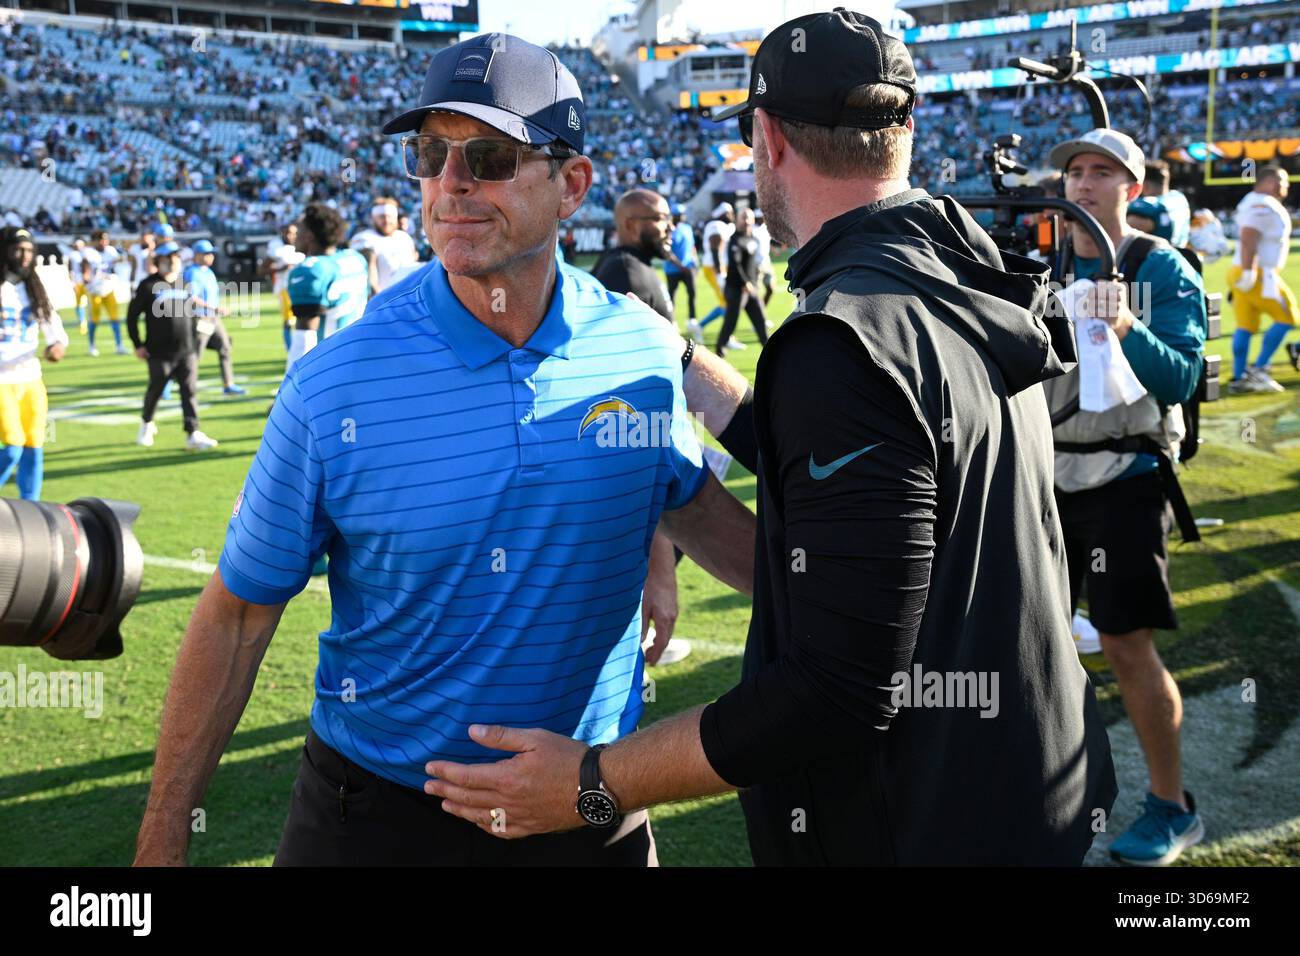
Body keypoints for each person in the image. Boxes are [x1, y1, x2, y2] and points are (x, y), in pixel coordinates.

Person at [419, 9, 1116, 867]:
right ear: (902, 129)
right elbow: (866, 465)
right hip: (1034, 779)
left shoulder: (845, 338)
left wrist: (593, 781)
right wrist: (678, 358)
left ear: (768, 137)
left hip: (920, 821)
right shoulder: (951, 276)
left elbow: (834, 688)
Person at [133, 33, 756, 868]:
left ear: (571, 186)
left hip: (593, 809)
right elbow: (238, 614)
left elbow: (695, 511)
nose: (451, 184)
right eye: (432, 153)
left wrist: (867, 602)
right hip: (379, 819)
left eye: (490, 157)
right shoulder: (335, 383)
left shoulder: (640, 348)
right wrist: (162, 835)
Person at [1045, 127, 1206, 865]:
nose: (1082, 183)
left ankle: (1171, 806)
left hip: (1124, 480)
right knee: (1030, 645)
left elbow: (1178, 378)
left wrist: (1125, 322)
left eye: (1101, 171)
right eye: (1074, 170)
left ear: (1132, 188)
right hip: (1044, 478)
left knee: (1123, 643)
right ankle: (1040, 789)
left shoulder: (1160, 266)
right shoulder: (1038, 265)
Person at [125, 241, 219, 451]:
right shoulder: (147, 285)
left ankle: (193, 432)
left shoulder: (183, 283)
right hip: (159, 351)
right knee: (156, 388)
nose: (174, 262)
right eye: (169, 258)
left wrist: (197, 337)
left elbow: (191, 313)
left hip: (186, 350)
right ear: (159, 261)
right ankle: (146, 423)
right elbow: (132, 317)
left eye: (176, 258)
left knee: (189, 391)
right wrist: (138, 344)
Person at [0, 226, 67, 499]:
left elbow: (55, 331)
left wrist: (56, 347)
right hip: (2, 380)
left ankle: (32, 506)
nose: (24, 256)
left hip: (30, 378)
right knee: (13, 444)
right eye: (18, 249)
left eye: (29, 250)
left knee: (34, 444)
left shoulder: (35, 287)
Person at [1225, 165, 1297, 392]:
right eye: (1282, 181)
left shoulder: (1252, 200)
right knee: (1288, 316)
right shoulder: (1263, 204)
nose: (1286, 186)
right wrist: (1249, 271)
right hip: (1256, 273)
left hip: (1243, 270)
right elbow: (1249, 237)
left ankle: (1239, 377)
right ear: (1269, 182)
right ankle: (1259, 369)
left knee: (1245, 325)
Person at [284, 203, 370, 377]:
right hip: (359, 358)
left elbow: (305, 338)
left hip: (328, 368)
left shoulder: (310, 270)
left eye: (299, 229)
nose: (295, 235)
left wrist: (290, 390)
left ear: (309, 235)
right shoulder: (355, 258)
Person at [590, 188, 673, 321]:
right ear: (631, 226)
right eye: (660, 218)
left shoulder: (636, 263)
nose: (671, 227)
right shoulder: (625, 270)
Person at [183, 238, 245, 395]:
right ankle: (182, 384)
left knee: (225, 346)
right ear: (197, 255)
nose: (211, 256)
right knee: (195, 354)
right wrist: (215, 308)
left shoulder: (208, 272)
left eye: (211, 253)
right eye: (207, 253)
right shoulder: (192, 273)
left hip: (212, 318)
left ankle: (228, 384)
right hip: (200, 318)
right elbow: (192, 298)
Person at [715, 206, 769, 356]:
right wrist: (745, 282)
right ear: (737, 219)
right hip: (736, 289)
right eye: (743, 217)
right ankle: (719, 353)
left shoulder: (753, 238)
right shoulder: (735, 240)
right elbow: (735, 263)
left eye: (748, 217)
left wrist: (754, 282)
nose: (746, 221)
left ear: (753, 220)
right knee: (730, 324)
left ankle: (772, 355)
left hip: (751, 289)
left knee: (761, 322)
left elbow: (754, 263)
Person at [690, 203, 744, 350]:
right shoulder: (717, 225)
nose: (732, 215)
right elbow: (715, 247)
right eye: (730, 212)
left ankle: (703, 327)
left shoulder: (720, 225)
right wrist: (720, 271)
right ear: (724, 213)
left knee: (725, 303)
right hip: (714, 267)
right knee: (727, 303)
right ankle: (723, 336)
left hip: (717, 266)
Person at [349, 196, 417, 293]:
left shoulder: (404, 237)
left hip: (408, 296)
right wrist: (379, 300)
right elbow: (370, 279)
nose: (386, 220)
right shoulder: (365, 239)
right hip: (384, 300)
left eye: (390, 216)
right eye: (381, 216)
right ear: (373, 219)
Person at [1127, 159, 1192, 251]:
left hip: (1155, 261)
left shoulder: (1148, 208)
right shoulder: (1179, 198)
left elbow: (1121, 236)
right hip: (1179, 256)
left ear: (1144, 185)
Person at [81, 229, 127, 356]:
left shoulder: (111, 251)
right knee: (94, 319)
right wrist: (87, 280)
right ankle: (91, 346)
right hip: (95, 289)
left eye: (105, 239)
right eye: (101, 239)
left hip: (108, 288)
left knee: (115, 317)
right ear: (95, 241)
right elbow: (85, 268)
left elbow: (117, 262)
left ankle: (119, 345)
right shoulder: (89, 253)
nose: (104, 242)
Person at [263, 222, 305, 352]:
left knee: (302, 319)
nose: (291, 236)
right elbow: (262, 269)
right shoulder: (278, 249)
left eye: (294, 233)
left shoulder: (302, 247)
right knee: (288, 322)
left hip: (301, 289)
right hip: (285, 289)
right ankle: (291, 350)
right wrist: (281, 269)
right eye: (288, 233)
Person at [663, 203, 698, 322]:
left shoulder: (687, 228)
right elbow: (667, 252)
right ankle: (670, 320)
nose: (681, 217)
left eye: (682, 214)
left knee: (692, 293)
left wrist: (695, 261)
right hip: (673, 269)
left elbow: (692, 246)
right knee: (671, 296)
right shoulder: (668, 230)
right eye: (678, 215)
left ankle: (692, 319)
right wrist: (680, 265)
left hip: (688, 267)